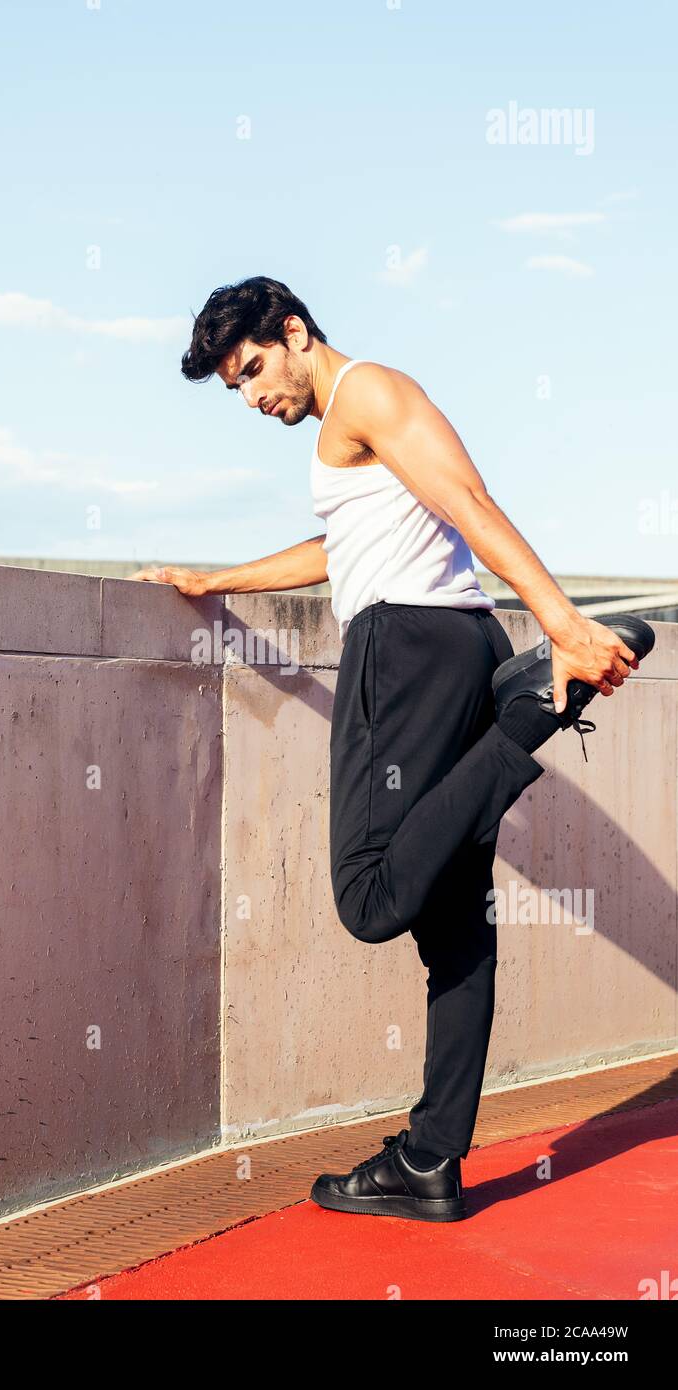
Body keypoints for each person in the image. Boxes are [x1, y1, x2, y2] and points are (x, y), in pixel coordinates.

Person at [130, 276, 655, 1222]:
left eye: (253, 370)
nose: (253, 398)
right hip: (457, 647)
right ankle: (429, 1162)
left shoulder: (366, 391)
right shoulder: (348, 429)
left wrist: (565, 624)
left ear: (294, 332)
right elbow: (341, 546)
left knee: (371, 897)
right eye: (235, 389)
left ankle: (531, 718)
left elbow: (469, 502)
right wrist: (218, 579)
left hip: (406, 652)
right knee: (455, 931)